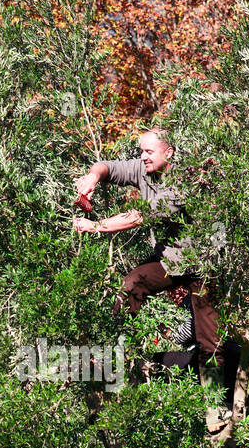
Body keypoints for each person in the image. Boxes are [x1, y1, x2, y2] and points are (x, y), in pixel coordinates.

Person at [72, 128, 223, 371]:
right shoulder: (144, 168)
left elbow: (136, 217)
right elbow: (107, 167)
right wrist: (92, 177)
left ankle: (218, 401)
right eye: (141, 151)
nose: (143, 157)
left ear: (169, 153)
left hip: (202, 263)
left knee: (209, 339)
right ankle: (123, 357)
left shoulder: (186, 181)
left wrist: (95, 226)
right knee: (130, 285)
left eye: (149, 152)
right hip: (169, 258)